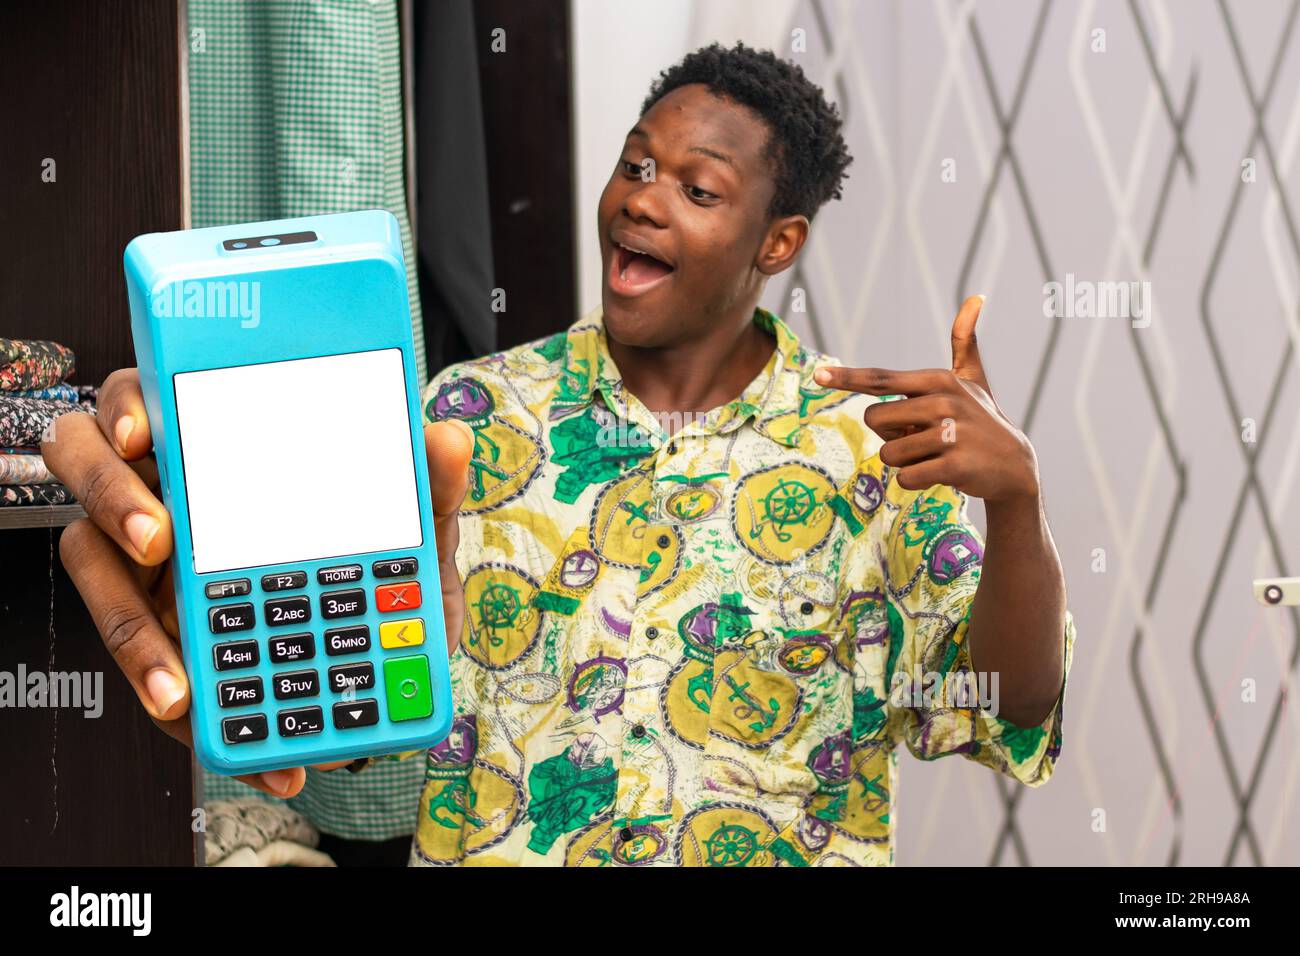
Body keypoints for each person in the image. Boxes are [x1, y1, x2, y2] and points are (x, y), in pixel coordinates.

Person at [44, 42, 1075, 867]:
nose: (641, 197)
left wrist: (1017, 506)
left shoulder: (868, 449)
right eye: (636, 164)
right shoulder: (462, 417)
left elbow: (1004, 703)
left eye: (697, 189)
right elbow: (359, 697)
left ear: (778, 243)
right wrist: (233, 603)